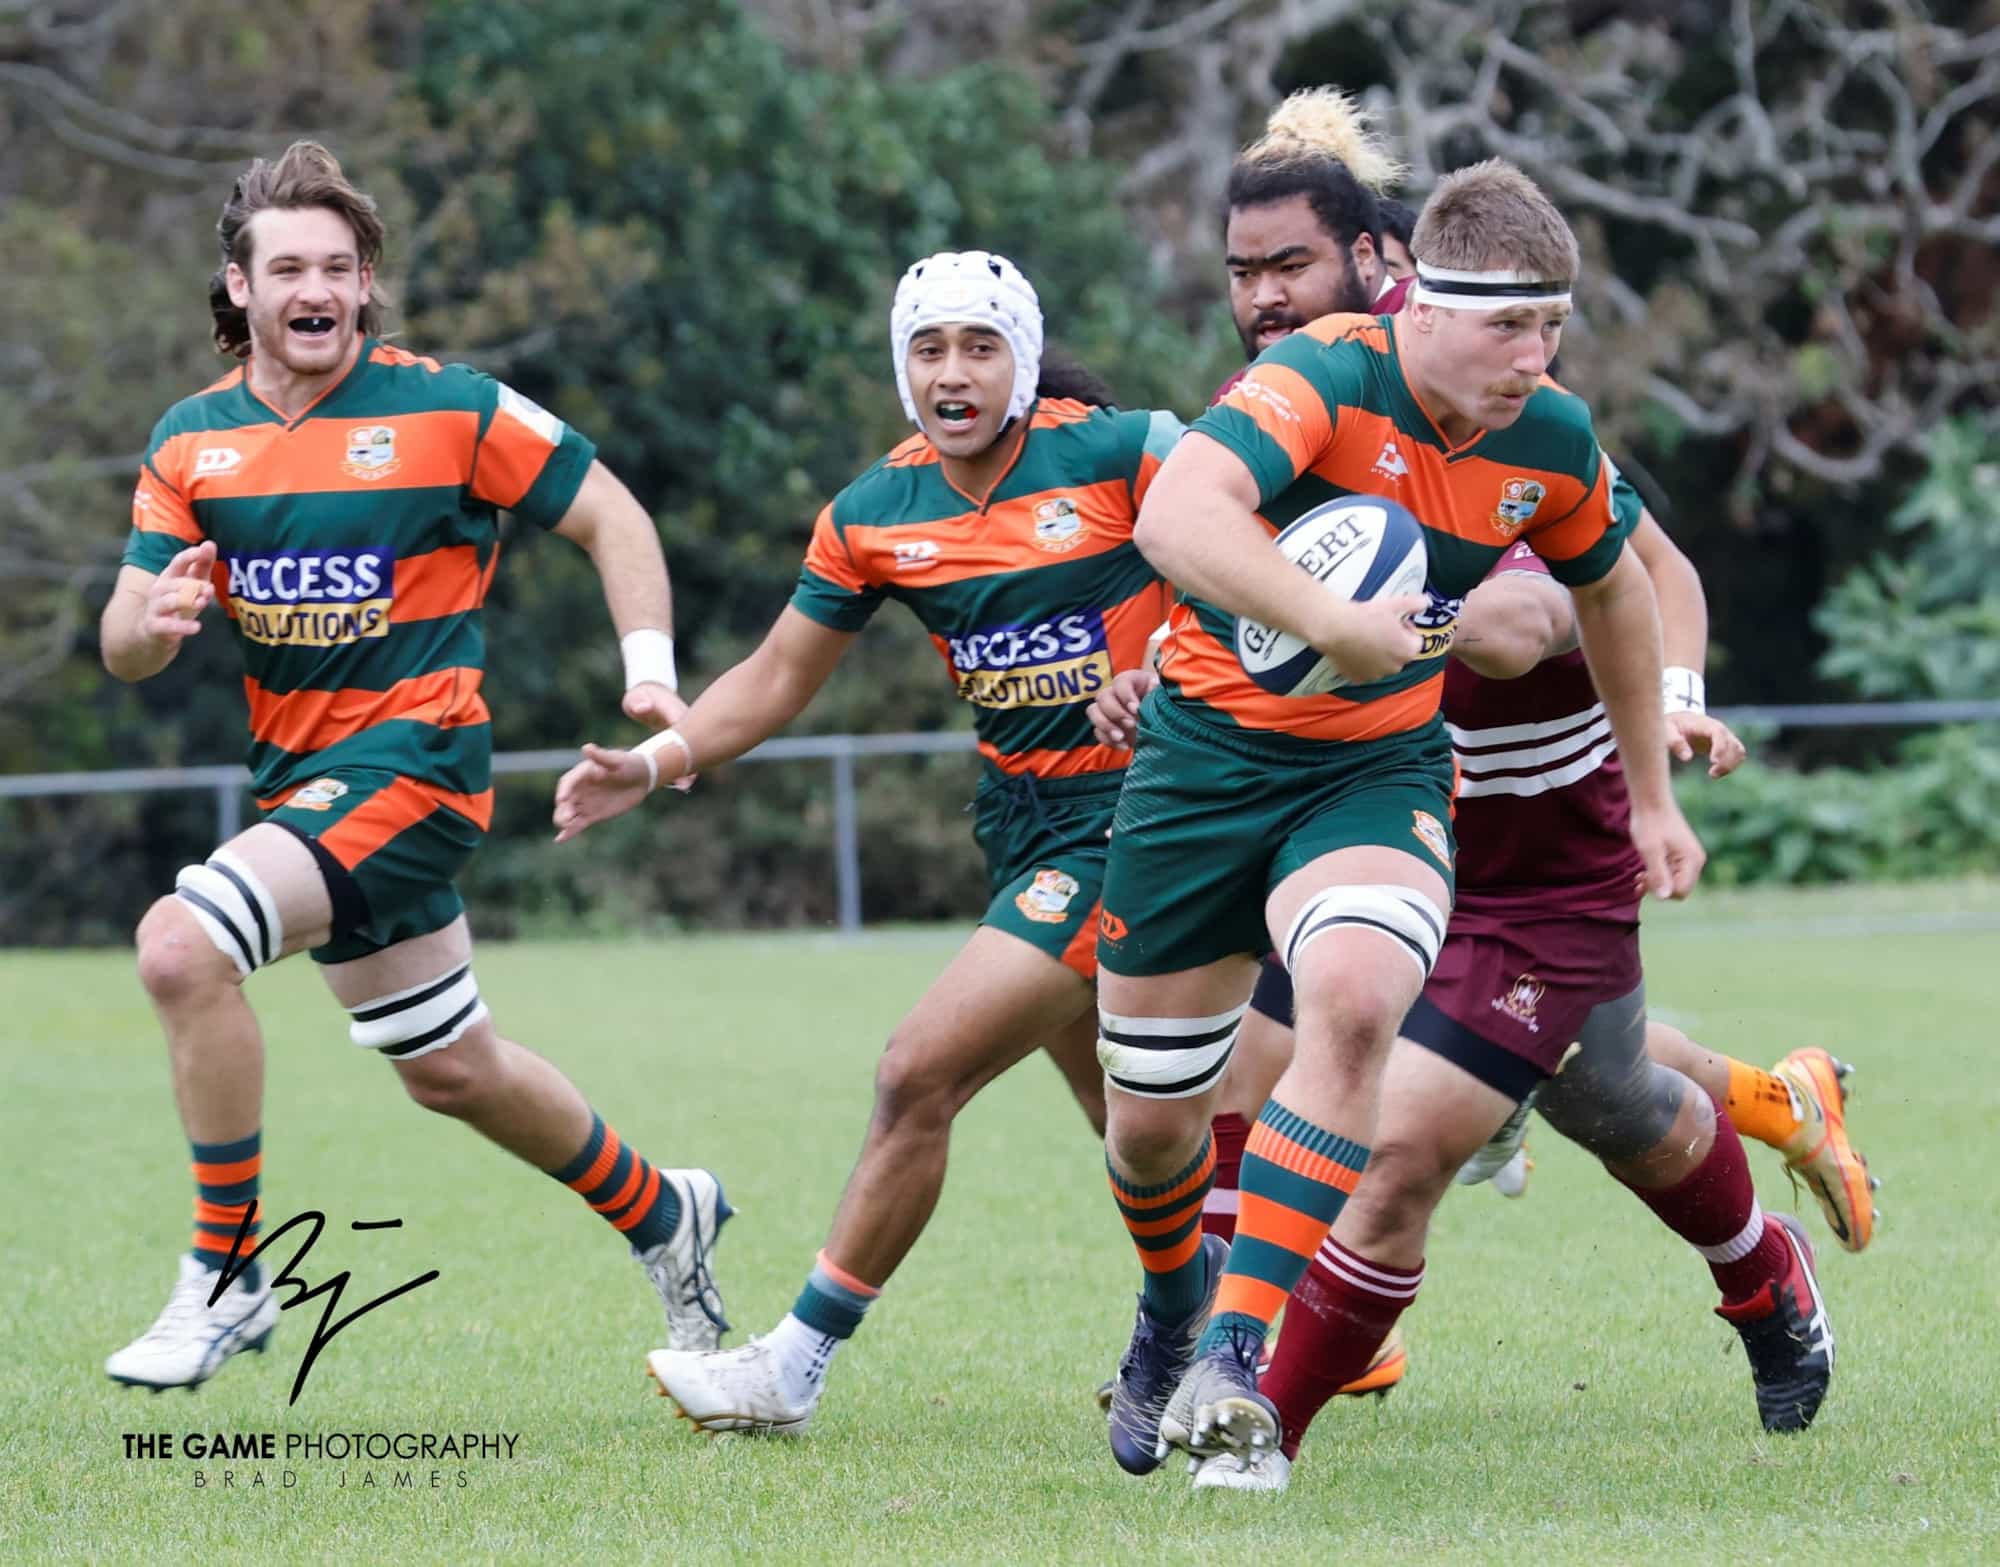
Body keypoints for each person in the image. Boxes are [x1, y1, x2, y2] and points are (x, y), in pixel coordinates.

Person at [1094, 157, 1710, 1479]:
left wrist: (1651, 790)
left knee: (1359, 1000)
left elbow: (1613, 590)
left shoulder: (1547, 432)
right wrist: (1332, 619)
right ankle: (1168, 1308)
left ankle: (1233, 1357)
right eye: (1509, 323)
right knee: (1150, 1124)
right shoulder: (1323, 374)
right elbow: (1175, 512)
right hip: (1201, 768)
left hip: (1373, 771)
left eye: (1553, 324)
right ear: (1419, 299)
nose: (1534, 355)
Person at [100, 142, 730, 1391]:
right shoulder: (192, 443)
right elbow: (121, 641)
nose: (314, 286)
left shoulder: (449, 409)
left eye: (338, 264)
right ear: (238, 287)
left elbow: (613, 512)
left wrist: (650, 670)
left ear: (366, 281)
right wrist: (147, 627)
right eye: (287, 267)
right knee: (450, 1068)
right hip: (308, 793)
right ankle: (667, 1213)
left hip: (422, 762)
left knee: (180, 944)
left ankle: (225, 1275)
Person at [550, 250, 1183, 1435]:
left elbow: (1246, 560)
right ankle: (1233, 1326)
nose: (952, 371)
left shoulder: (1122, 451)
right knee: (1140, 1130)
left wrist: (1171, 668)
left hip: (1142, 822)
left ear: (1025, 363)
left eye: (979, 346)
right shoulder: (875, 514)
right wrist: (655, 758)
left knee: (915, 1072)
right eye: (928, 348)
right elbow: (782, 672)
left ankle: (790, 1364)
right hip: (1023, 827)